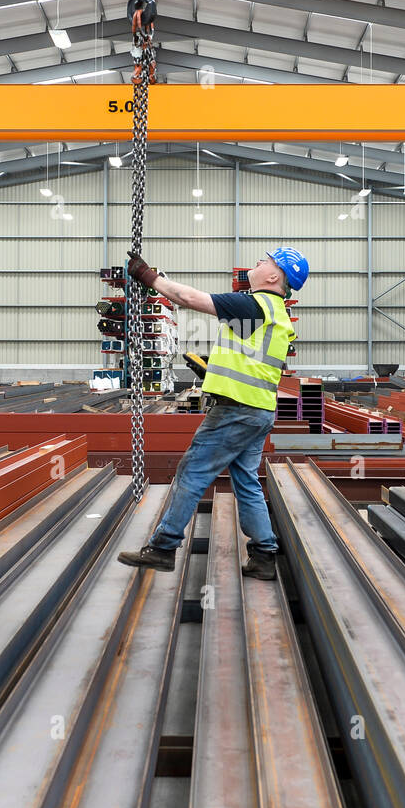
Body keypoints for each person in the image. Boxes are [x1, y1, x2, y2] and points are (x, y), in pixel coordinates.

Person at [116, 247, 309, 581]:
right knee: (246, 482)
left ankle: (163, 547)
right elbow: (252, 363)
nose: (259, 262)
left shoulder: (253, 305)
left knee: (192, 472)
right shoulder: (273, 312)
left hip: (236, 411)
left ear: (275, 276)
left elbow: (187, 298)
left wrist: (148, 277)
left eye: (266, 261)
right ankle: (264, 555)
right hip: (258, 410)